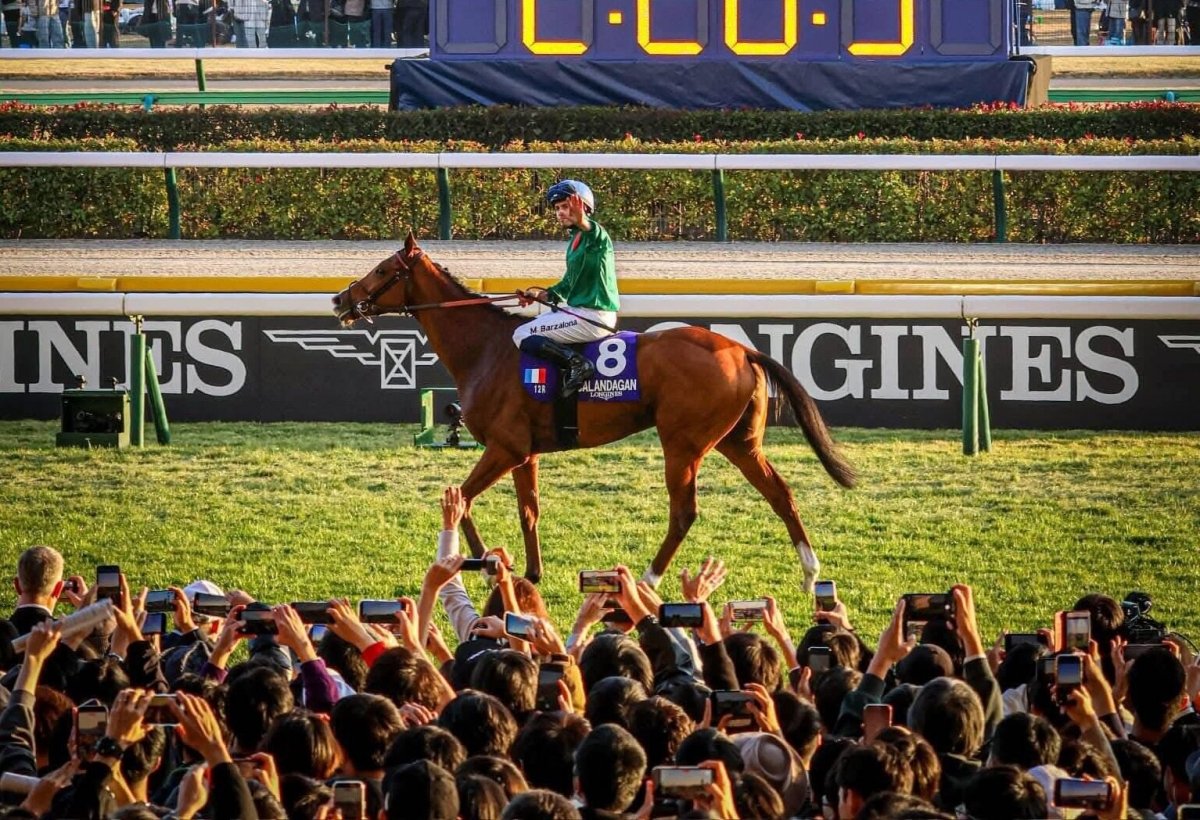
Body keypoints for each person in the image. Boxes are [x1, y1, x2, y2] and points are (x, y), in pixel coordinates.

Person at [513, 179, 619, 397]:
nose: (560, 212)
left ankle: (578, 364)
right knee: (526, 328)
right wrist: (542, 295)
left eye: (566, 206)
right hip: (579, 312)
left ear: (583, 207)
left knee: (522, 333)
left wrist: (583, 221)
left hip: (594, 316)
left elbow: (591, 228)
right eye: (557, 208)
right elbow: (569, 282)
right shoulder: (574, 242)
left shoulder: (595, 235)